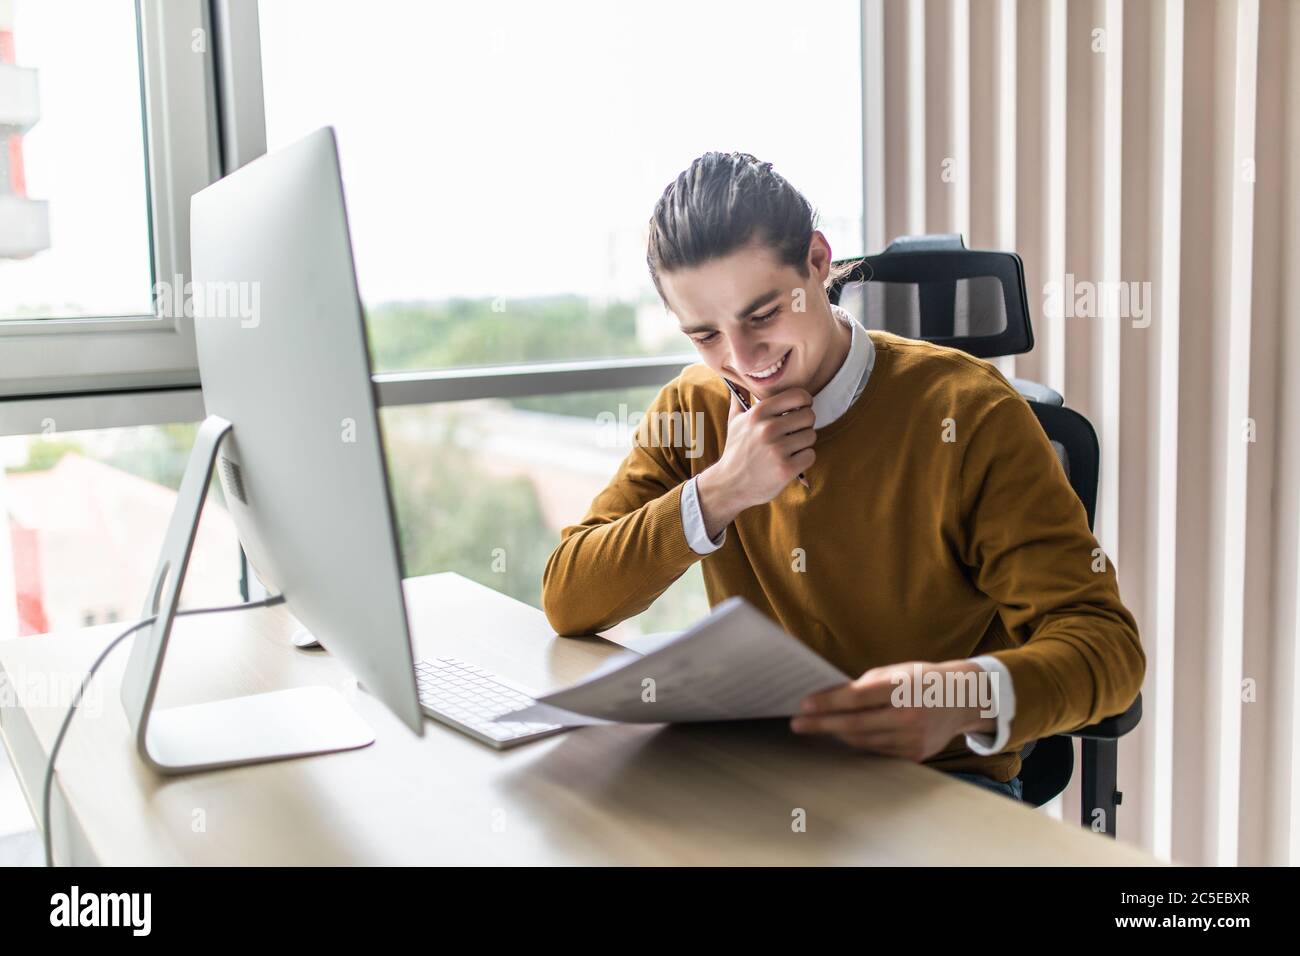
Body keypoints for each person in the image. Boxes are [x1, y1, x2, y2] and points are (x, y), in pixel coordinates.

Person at [541, 151, 1145, 798]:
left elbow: (1107, 650)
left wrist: (965, 696)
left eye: (763, 314)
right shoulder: (693, 409)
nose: (742, 361)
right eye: (705, 334)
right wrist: (718, 494)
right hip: (760, 778)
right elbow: (570, 597)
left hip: (931, 785)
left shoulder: (970, 413)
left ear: (818, 262)